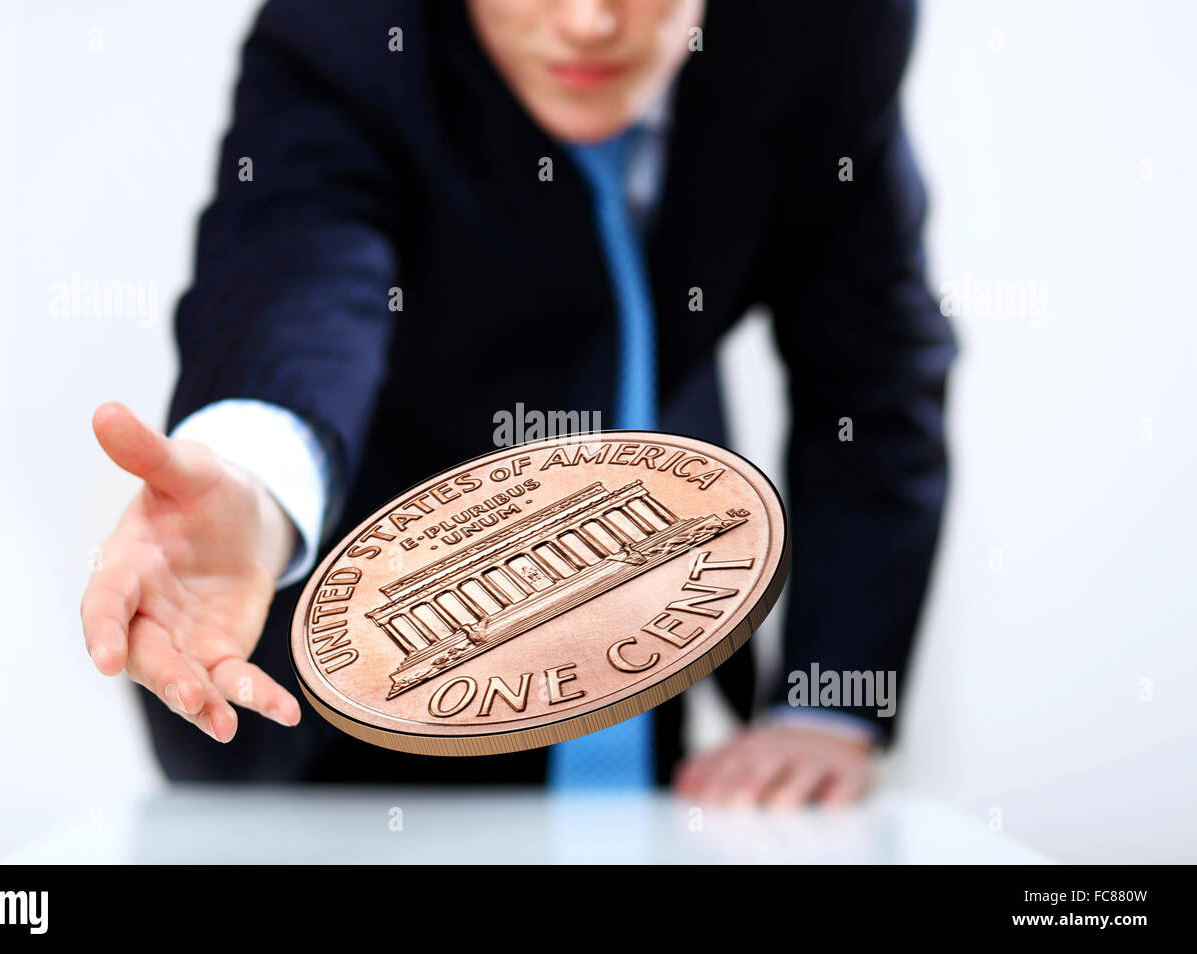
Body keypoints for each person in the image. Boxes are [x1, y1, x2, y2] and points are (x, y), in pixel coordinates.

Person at [80, 0, 957, 804]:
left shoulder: (828, 28)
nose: (585, 22)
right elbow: (297, 277)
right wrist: (258, 484)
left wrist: (828, 705)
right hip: (335, 727)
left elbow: (873, 380)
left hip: (659, 698)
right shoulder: (343, 33)